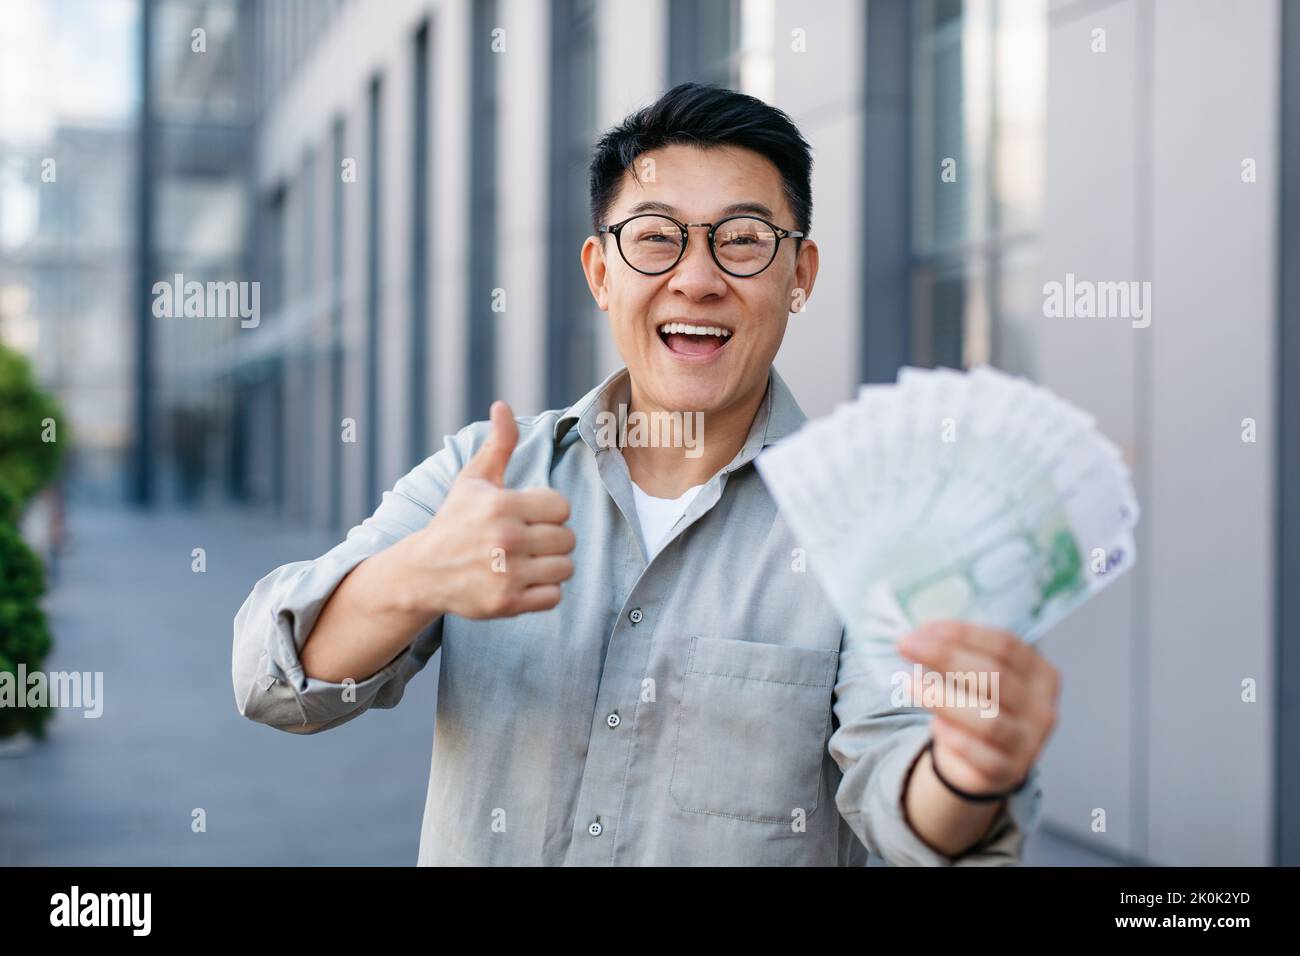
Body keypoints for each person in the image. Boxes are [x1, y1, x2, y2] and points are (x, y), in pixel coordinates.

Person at [231, 82, 1058, 866]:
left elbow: (909, 802)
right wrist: (414, 574)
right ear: (600, 271)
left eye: (742, 241)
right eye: (658, 237)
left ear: (799, 276)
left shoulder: (873, 524)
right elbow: (273, 685)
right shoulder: (485, 476)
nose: (697, 279)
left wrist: (970, 767)